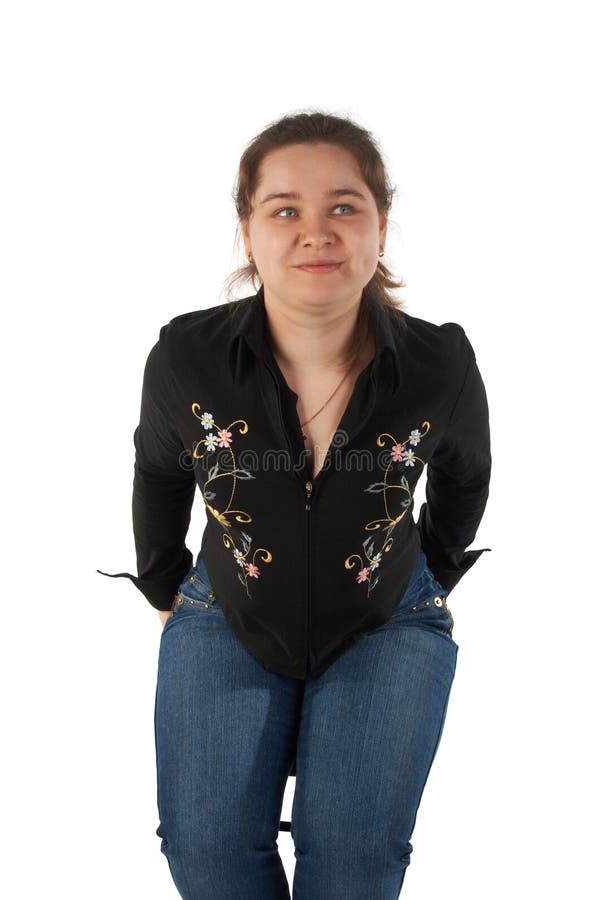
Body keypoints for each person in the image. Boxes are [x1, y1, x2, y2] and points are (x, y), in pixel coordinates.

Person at [98, 110, 492, 899]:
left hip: (388, 617)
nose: (317, 231)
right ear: (248, 232)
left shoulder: (437, 359)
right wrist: (165, 581)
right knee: (203, 852)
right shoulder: (188, 354)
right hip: (224, 609)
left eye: (344, 207)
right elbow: (159, 471)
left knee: (353, 862)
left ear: (380, 225)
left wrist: (433, 578)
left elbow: (466, 476)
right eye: (285, 210)